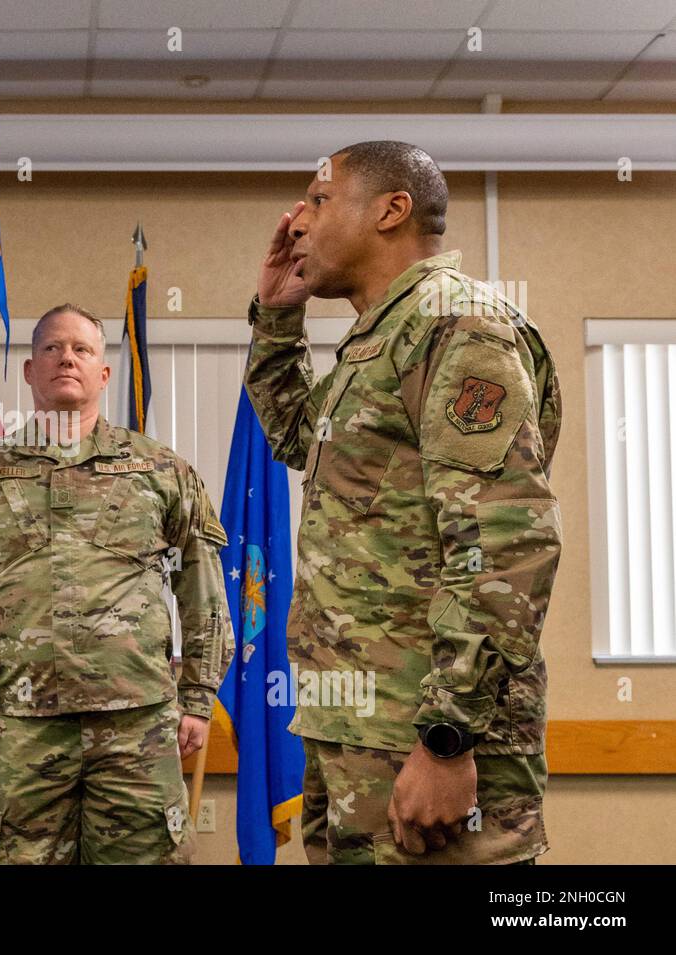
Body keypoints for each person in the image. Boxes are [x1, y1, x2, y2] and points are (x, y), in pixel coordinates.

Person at [244, 140, 562, 864]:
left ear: (392, 211)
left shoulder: (458, 324)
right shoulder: (382, 338)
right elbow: (296, 435)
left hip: (423, 740)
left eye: (320, 200)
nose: (298, 221)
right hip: (354, 730)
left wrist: (447, 737)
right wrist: (277, 320)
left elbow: (506, 541)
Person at [0, 303, 234, 864]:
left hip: (139, 728)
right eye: (51, 348)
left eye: (82, 349)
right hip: (25, 732)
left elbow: (203, 596)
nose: (67, 358)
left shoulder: (161, 470)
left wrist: (199, 698)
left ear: (103, 373)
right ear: (29, 370)